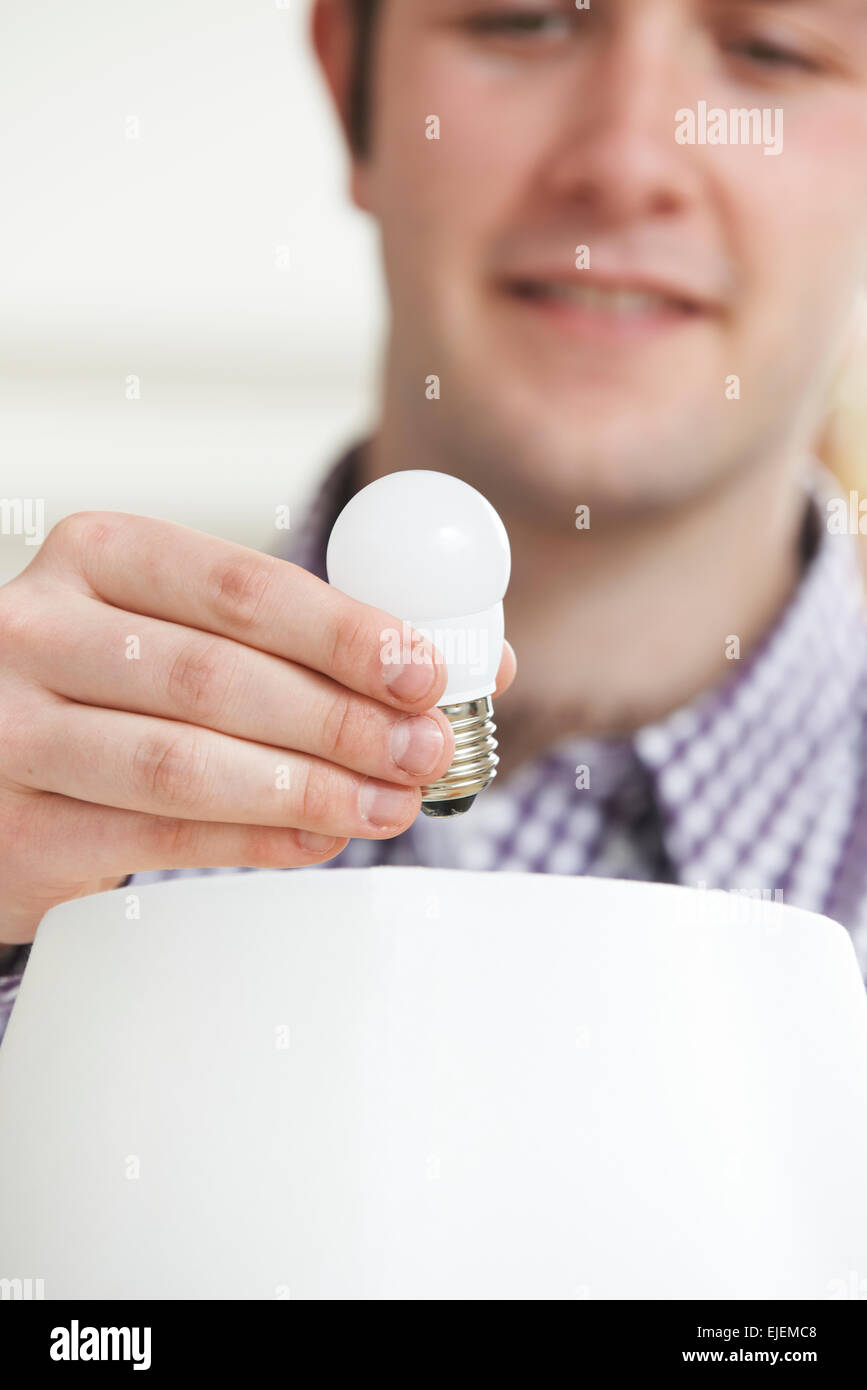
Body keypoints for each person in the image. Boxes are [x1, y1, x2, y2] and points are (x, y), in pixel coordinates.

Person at [3, 0, 867, 1045]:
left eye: (770, 48)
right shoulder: (41, 846)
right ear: (349, 81)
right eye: (525, 21)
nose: (627, 160)